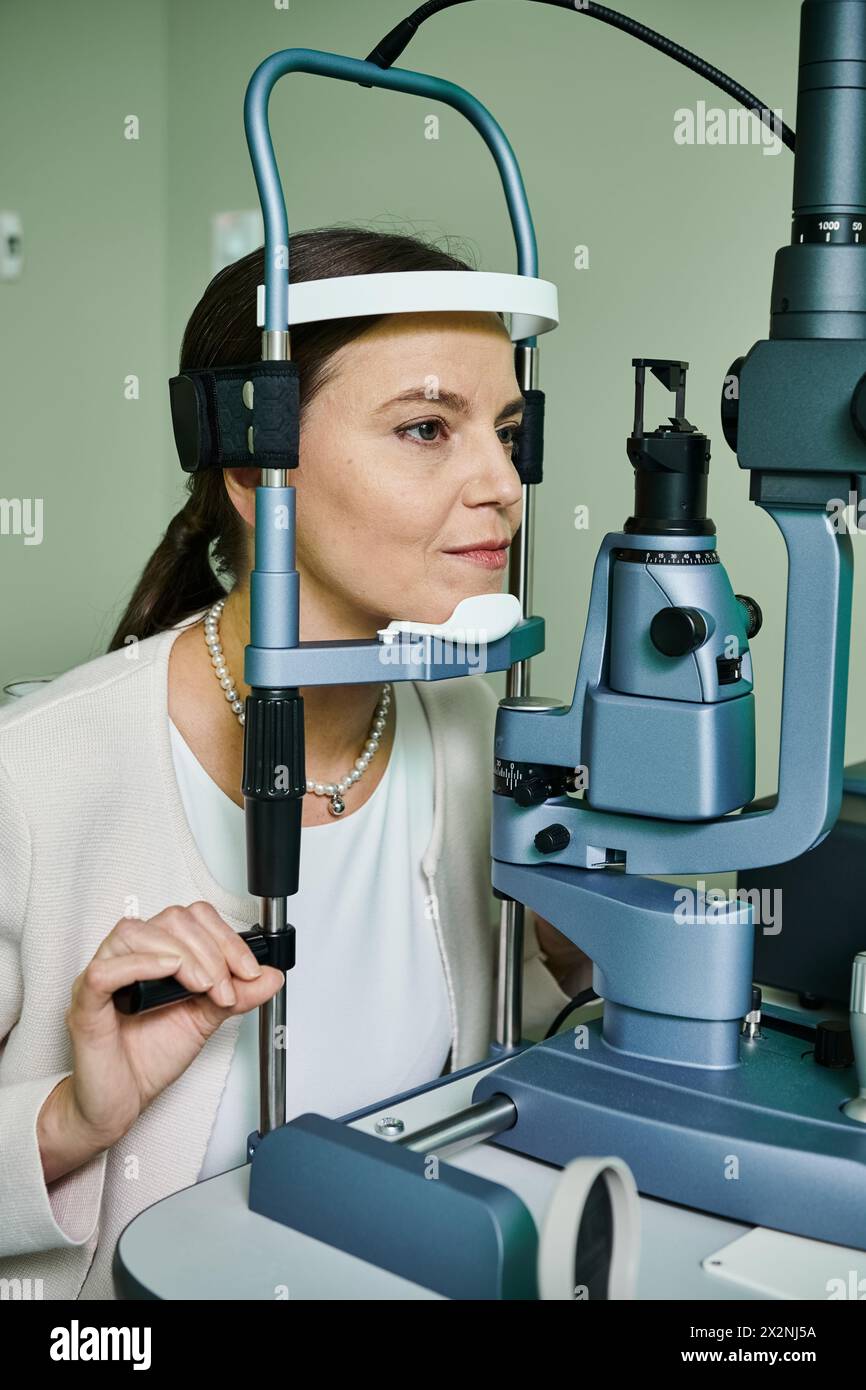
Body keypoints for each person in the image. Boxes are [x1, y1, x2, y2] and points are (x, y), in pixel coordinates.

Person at [0, 226, 590, 1300]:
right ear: (250, 462)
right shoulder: (32, 781)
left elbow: (502, 1078)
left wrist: (584, 958)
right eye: (425, 427)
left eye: (508, 432)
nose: (501, 481)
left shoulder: (478, 736)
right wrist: (70, 1121)